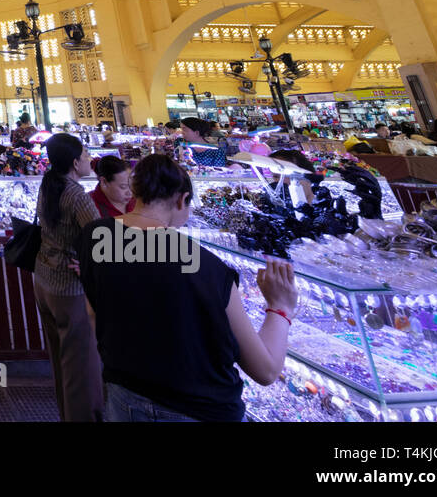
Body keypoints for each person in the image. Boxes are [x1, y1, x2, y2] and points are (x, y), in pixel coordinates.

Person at [78, 154, 298, 422]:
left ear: (135, 192)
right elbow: (265, 371)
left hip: (124, 395)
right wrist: (280, 307)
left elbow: (94, 313)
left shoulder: (95, 236)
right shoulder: (207, 267)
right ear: (182, 200)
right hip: (199, 409)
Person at [33, 133, 104, 422]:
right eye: (86, 156)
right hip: (69, 290)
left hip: (44, 280)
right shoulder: (76, 195)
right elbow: (102, 240)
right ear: (75, 163)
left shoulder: (49, 185)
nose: (89, 160)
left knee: (62, 361)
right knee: (82, 371)